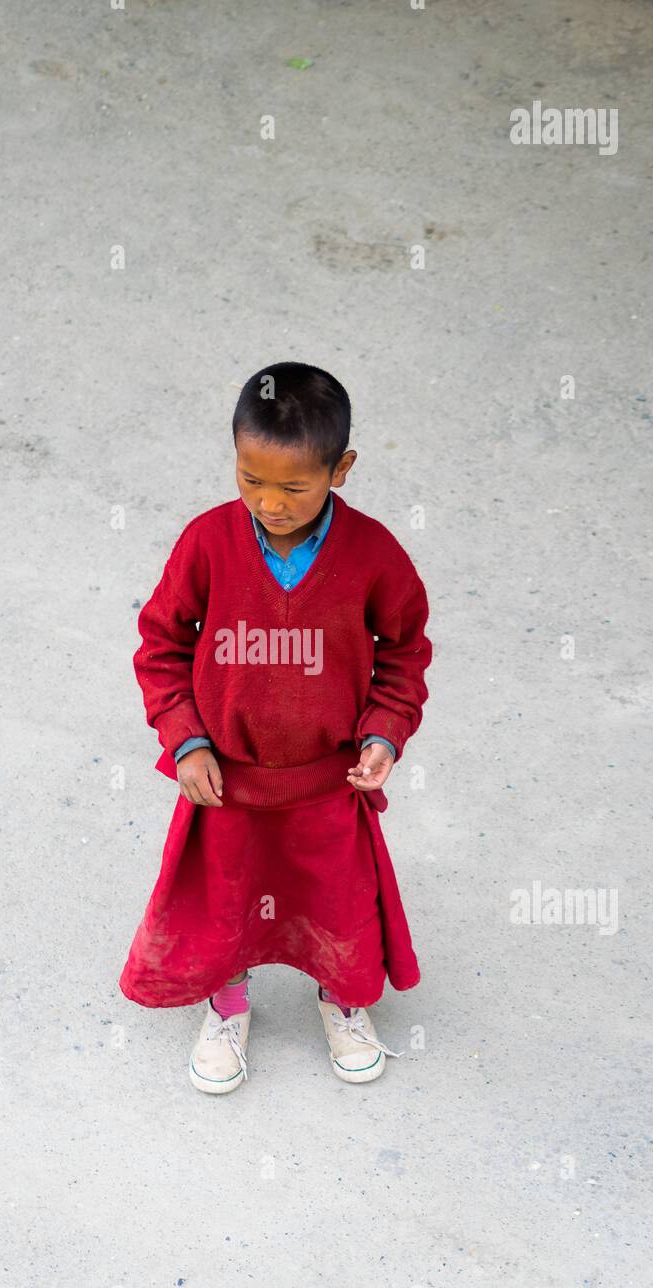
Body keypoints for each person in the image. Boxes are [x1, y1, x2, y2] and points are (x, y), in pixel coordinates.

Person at [119, 361, 432, 1094]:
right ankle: (226, 1006)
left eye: (293, 486)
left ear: (341, 469)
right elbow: (160, 644)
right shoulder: (207, 543)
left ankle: (343, 1001)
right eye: (250, 479)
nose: (270, 502)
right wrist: (185, 738)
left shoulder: (374, 555)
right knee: (227, 896)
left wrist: (385, 732)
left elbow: (406, 652)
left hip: (329, 781)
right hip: (227, 778)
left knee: (337, 900)